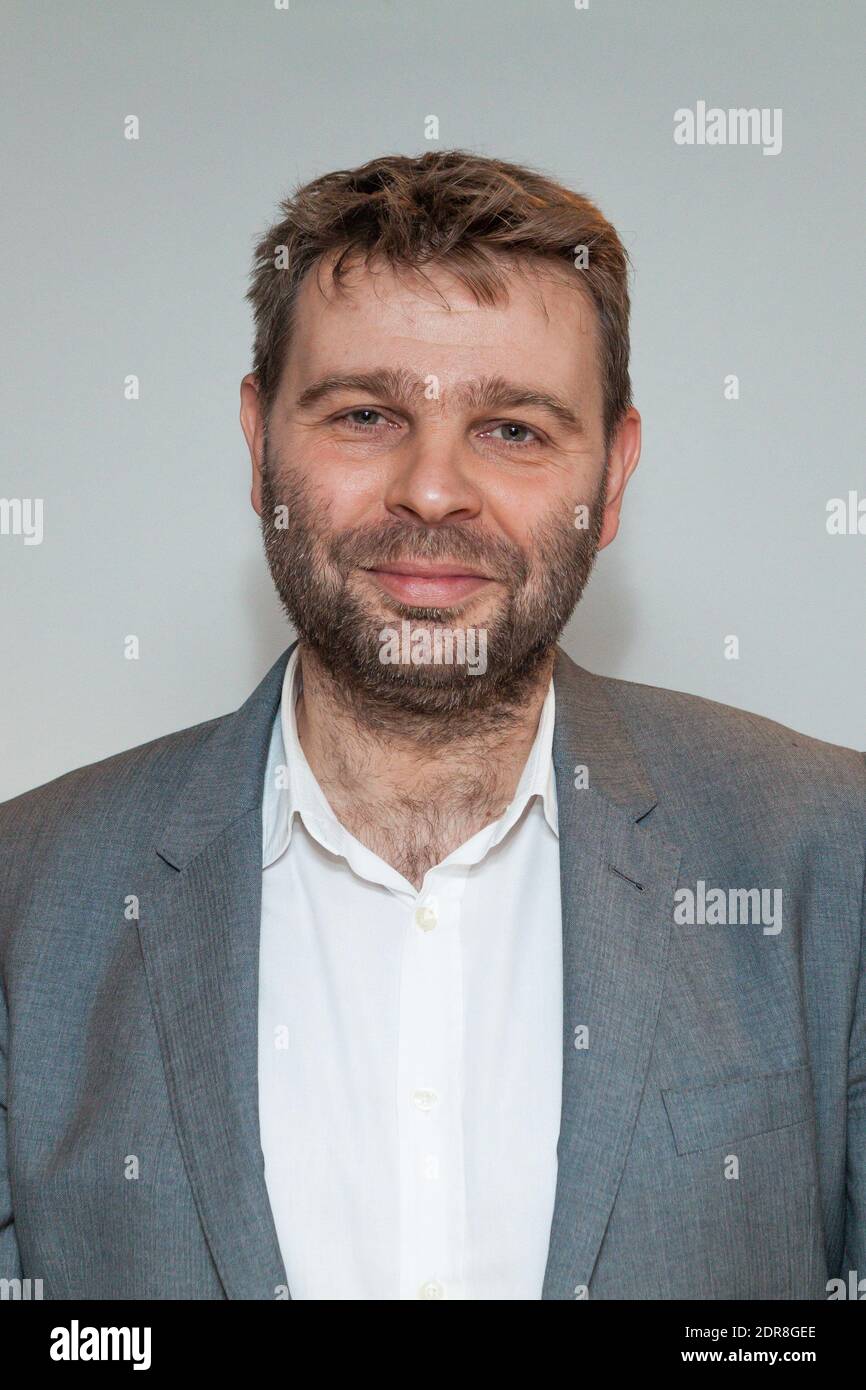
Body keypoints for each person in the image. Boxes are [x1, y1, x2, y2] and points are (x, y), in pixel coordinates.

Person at [1, 150, 863, 1300]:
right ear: (260, 445)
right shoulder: (27, 901)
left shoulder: (829, 858)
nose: (432, 490)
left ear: (610, 478)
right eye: (366, 414)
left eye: (510, 429)